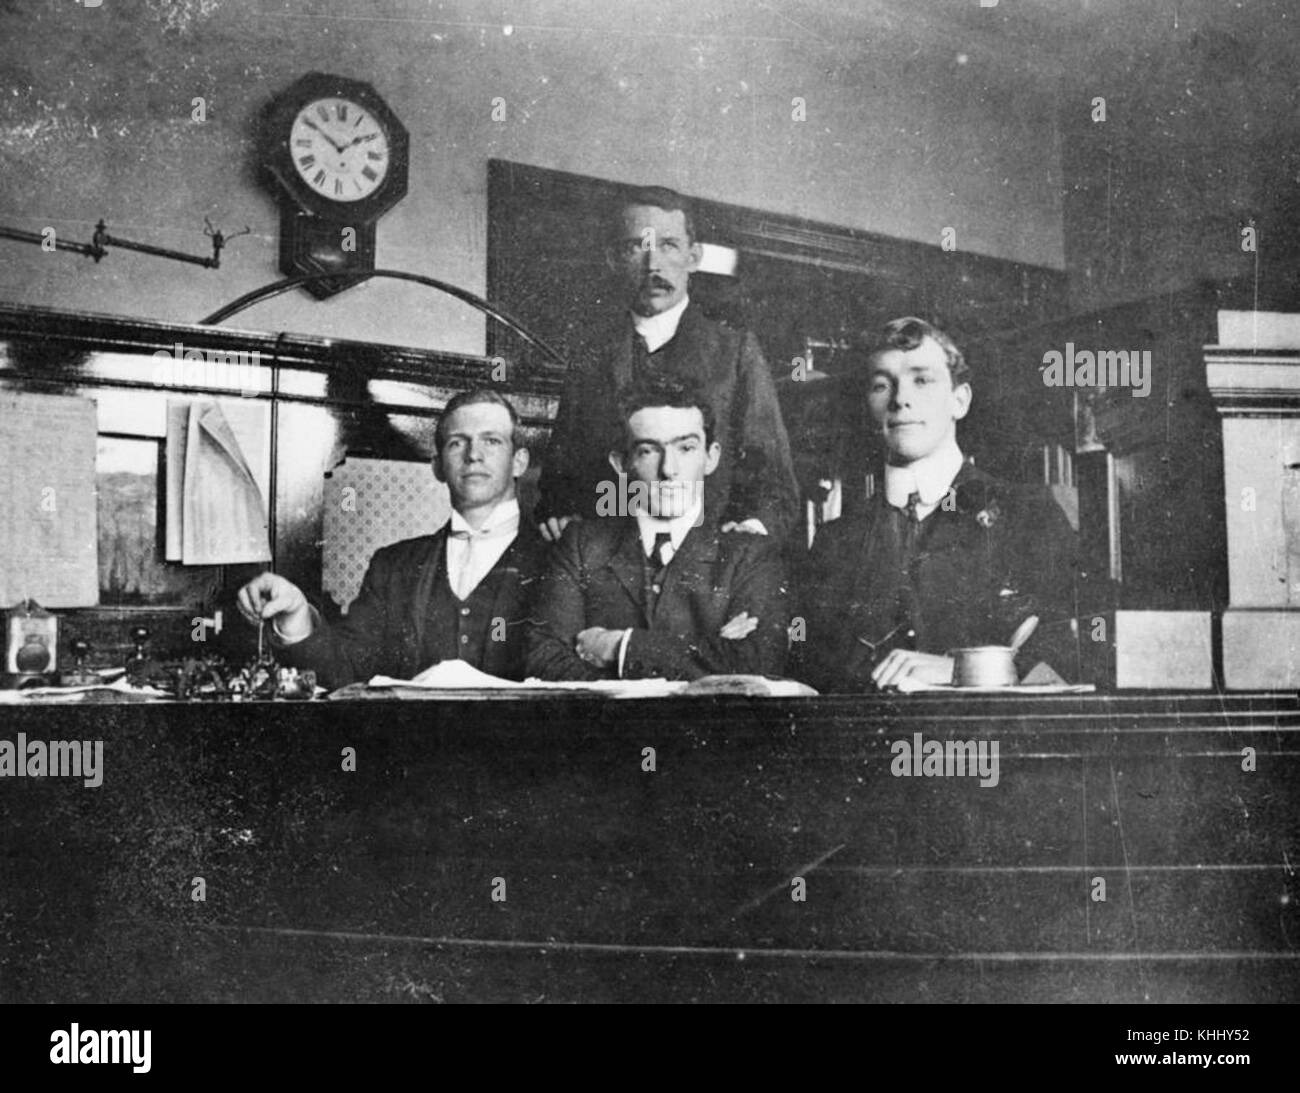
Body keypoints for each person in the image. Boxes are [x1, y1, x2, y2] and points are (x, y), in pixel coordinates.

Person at [798, 317, 1079, 691]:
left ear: (959, 401)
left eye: (922, 380)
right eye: (882, 385)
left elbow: (1072, 657)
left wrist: (962, 671)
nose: (900, 399)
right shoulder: (834, 541)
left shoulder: (1027, 516)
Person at [535, 185, 801, 545]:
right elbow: (559, 477)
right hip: (606, 559)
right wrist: (561, 517)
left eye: (668, 245)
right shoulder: (591, 356)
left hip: (708, 557)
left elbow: (772, 478)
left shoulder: (736, 352)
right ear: (614, 259)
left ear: (694, 256)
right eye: (636, 246)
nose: (653, 265)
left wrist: (749, 533)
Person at [236, 389, 547, 687]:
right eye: (457, 443)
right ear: (438, 467)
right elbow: (346, 671)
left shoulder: (556, 558)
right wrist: (296, 615)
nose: (474, 455)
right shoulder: (392, 565)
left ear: (519, 462)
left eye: (491, 441)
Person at [526, 375, 791, 681]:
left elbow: (758, 661)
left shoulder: (750, 554)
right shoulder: (580, 546)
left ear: (711, 457)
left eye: (686, 448)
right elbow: (542, 659)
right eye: (648, 451)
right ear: (621, 463)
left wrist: (620, 647)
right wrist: (706, 657)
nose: (669, 469)